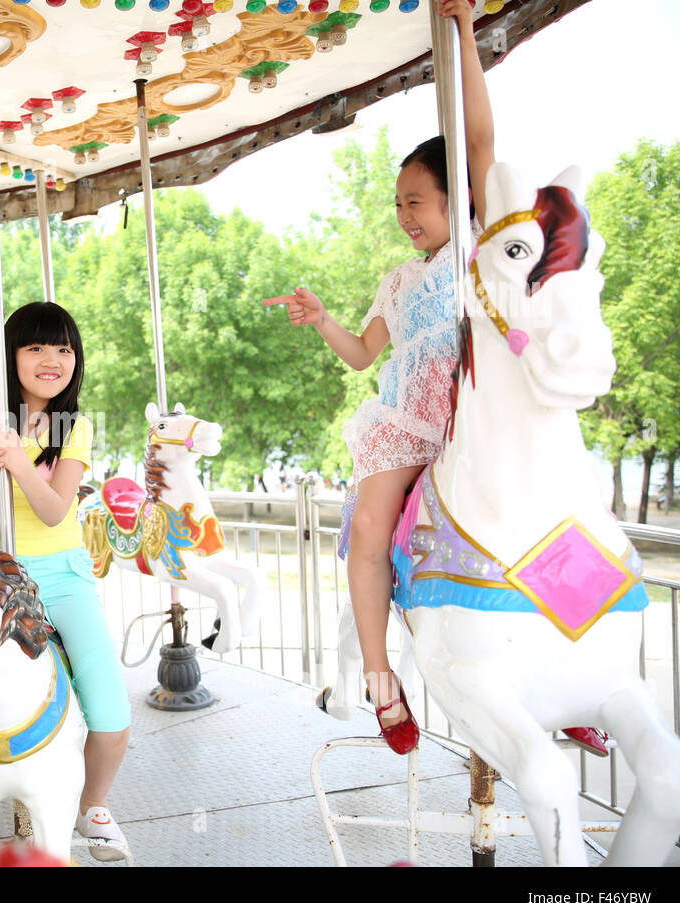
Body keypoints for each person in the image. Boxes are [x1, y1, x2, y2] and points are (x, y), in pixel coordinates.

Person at [263, 0, 491, 753]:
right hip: (408, 427)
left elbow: (480, 141)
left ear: (454, 200)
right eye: (398, 204)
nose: (404, 215)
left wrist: (461, 31)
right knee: (367, 529)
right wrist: (323, 317)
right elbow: (365, 355)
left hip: (474, 423)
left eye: (416, 201)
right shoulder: (400, 279)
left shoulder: (474, 249)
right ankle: (378, 678)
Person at [0, 300, 130, 865]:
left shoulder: (75, 427)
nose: (52, 360)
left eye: (64, 349)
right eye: (36, 347)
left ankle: (93, 805)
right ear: (10, 356)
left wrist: (18, 463)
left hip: (62, 578)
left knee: (112, 715)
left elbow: (52, 508)